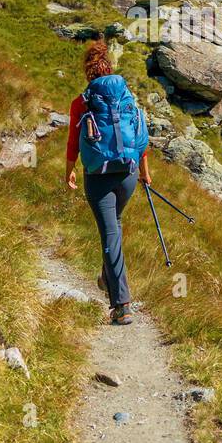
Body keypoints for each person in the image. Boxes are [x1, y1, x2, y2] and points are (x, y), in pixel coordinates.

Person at [65, 36, 151, 325]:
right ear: (109, 67)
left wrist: (69, 170)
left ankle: (122, 305)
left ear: (88, 71)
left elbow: (72, 141)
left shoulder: (82, 101)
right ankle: (107, 276)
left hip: (98, 175)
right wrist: (144, 172)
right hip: (128, 172)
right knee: (114, 227)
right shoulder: (127, 97)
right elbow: (140, 134)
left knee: (109, 234)